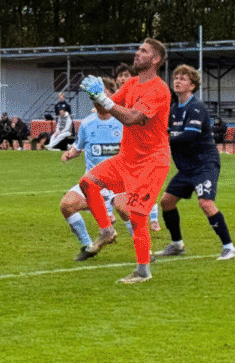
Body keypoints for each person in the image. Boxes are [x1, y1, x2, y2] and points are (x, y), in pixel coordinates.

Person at [75, 39, 173, 284]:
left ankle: (143, 271)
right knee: (88, 183)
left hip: (152, 162)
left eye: (144, 51)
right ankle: (107, 230)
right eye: (138, 50)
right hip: (127, 158)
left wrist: (104, 99)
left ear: (156, 59)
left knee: (137, 214)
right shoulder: (130, 84)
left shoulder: (159, 89)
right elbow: (105, 111)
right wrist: (95, 96)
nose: (137, 54)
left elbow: (131, 118)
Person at [153, 65, 235, 261]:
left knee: (206, 202)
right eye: (176, 78)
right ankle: (177, 245)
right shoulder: (174, 109)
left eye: (183, 78)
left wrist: (163, 141)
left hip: (204, 164)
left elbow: (191, 135)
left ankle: (229, 248)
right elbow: (164, 132)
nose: (177, 81)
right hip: (186, 168)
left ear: (192, 85)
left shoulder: (195, 107)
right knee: (166, 202)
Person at [60, 82, 125, 259]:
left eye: (102, 94)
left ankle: (146, 251)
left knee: (126, 209)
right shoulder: (87, 124)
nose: (98, 99)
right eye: (94, 96)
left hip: (119, 182)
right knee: (67, 205)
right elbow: (78, 146)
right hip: (93, 183)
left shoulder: (123, 122)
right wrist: (70, 154)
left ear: (112, 96)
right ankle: (88, 245)